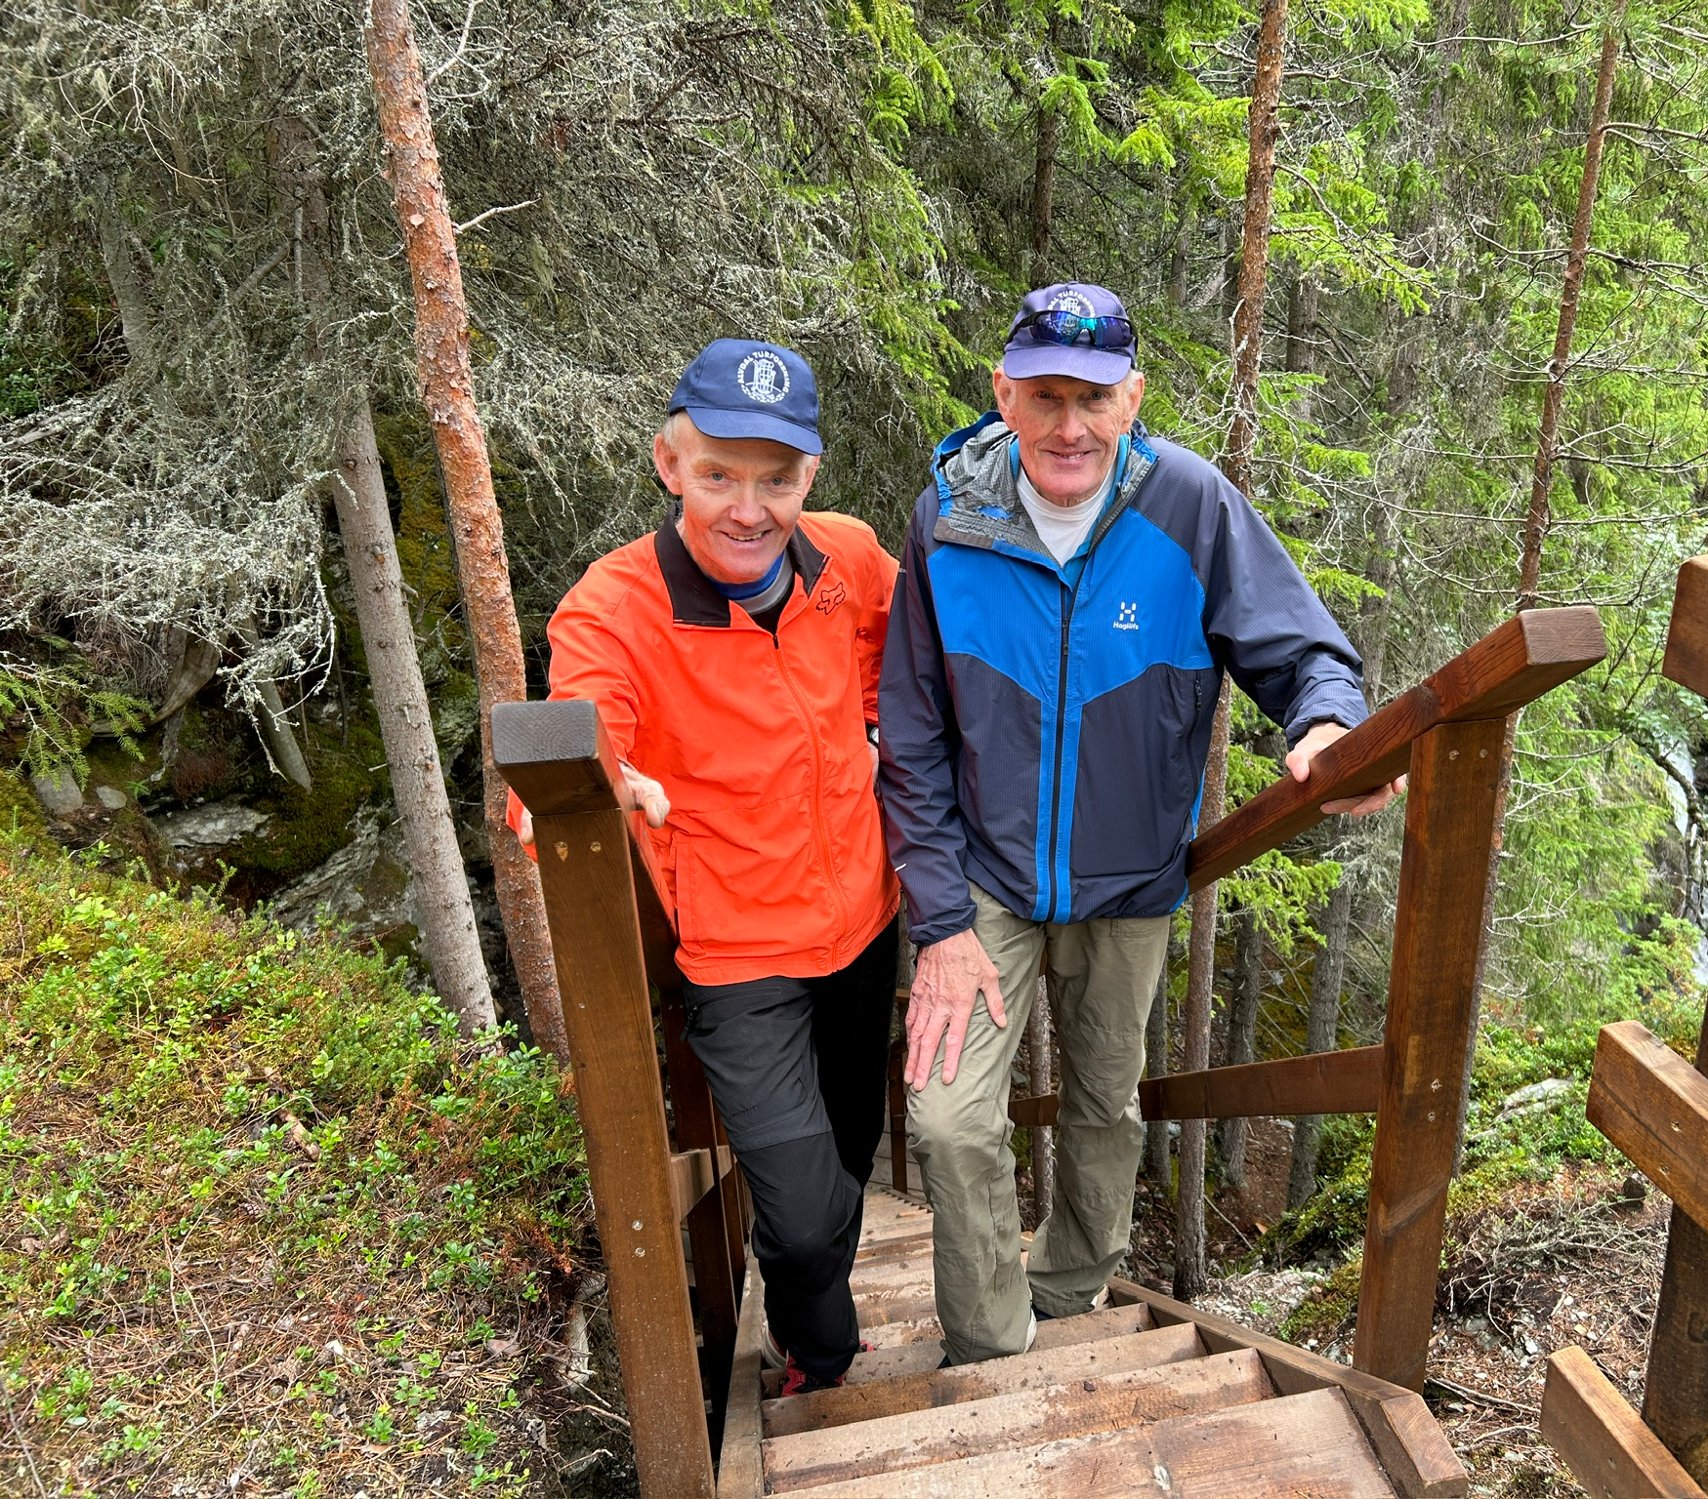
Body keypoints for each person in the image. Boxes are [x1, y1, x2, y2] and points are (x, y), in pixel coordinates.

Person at [877, 283, 1402, 1367]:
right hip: (982, 878)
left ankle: (1071, 1299)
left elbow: (1299, 646)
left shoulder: (1190, 505)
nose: (1069, 424)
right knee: (949, 1119)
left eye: (1094, 397)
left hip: (1127, 882)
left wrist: (1327, 723)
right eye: (1045, 395)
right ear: (1003, 393)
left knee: (1105, 1104)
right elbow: (914, 733)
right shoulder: (948, 518)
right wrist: (938, 921)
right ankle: (991, 1344)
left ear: (1134, 398)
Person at [509, 338, 900, 1394]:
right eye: (719, 473)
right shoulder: (614, 606)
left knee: (850, 1151)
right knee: (805, 1211)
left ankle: (813, 1330)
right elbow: (570, 741)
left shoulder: (848, 559)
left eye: (776, 479)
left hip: (866, 924)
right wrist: (605, 785)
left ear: (809, 476)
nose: (747, 507)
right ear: (669, 462)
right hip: (735, 956)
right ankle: (820, 1350)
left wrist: (875, 725)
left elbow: (895, 654)